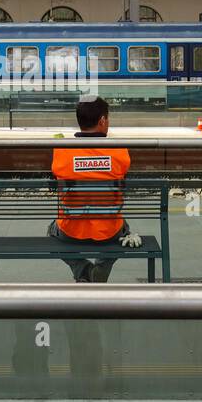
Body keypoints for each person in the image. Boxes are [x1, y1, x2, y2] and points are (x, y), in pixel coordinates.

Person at [48, 95, 142, 283]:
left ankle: (83, 271)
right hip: (108, 232)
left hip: (70, 232)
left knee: (51, 231)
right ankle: (97, 272)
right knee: (123, 228)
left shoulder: (61, 151)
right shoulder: (120, 152)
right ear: (102, 121)